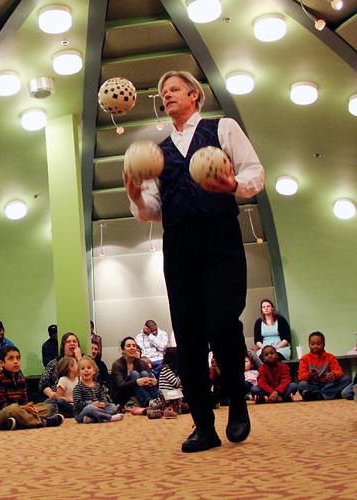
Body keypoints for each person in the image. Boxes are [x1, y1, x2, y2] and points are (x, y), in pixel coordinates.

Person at [124, 70, 265, 452]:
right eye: (161, 91)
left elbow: (255, 173)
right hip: (180, 243)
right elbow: (153, 209)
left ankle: (237, 401)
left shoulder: (223, 129)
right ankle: (204, 426)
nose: (165, 95)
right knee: (188, 337)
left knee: (222, 323)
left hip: (221, 235)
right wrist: (135, 195)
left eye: (172, 89)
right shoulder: (158, 153)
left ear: (194, 94)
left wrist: (234, 185)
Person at [0, 345, 64, 430]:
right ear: (2, 363)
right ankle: (43, 422)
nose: (16, 361)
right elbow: (1, 407)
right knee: (13, 409)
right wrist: (23, 408)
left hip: (19, 411)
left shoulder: (20, 377)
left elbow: (23, 401)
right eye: (11, 358)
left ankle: (18, 424)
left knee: (49, 407)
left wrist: (29, 407)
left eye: (18, 358)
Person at [297, 332, 351, 401]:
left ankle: (318, 395)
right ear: (309, 344)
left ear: (324, 344)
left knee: (346, 378)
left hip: (327, 384)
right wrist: (309, 375)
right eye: (312, 344)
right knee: (302, 384)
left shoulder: (330, 357)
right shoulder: (304, 358)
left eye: (319, 344)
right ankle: (326, 394)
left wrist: (334, 374)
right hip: (313, 384)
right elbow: (301, 376)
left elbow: (339, 371)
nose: (315, 346)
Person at [39, 332, 82, 416]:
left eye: (74, 341)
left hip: (79, 400)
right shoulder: (54, 363)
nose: (72, 343)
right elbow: (43, 383)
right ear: (63, 346)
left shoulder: (84, 361)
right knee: (51, 404)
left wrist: (79, 359)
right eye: (68, 342)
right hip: (59, 400)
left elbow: (90, 379)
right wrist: (52, 394)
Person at [110, 337, 160, 410]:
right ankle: (149, 402)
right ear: (123, 349)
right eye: (128, 346)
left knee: (144, 373)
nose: (132, 348)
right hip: (122, 395)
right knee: (134, 374)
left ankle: (155, 400)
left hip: (139, 393)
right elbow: (120, 385)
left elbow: (151, 380)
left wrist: (155, 381)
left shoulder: (142, 363)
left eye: (134, 346)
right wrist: (136, 382)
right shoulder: (117, 364)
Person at [72, 356, 123, 424]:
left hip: (98, 409)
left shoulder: (97, 385)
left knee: (112, 406)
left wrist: (102, 403)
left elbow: (102, 398)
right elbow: (78, 404)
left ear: (94, 371)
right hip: (83, 413)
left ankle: (93, 419)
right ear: (79, 373)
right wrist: (92, 404)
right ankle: (109, 418)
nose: (86, 370)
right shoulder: (78, 387)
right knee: (90, 408)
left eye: (89, 368)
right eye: (83, 369)